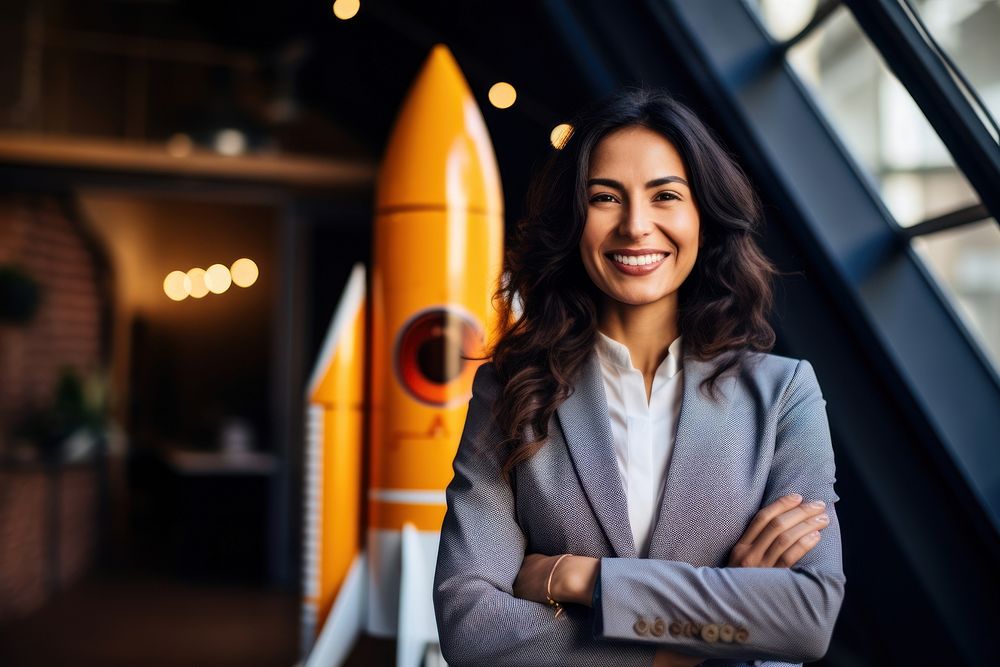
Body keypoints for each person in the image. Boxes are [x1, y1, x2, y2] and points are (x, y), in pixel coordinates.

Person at [433, 88, 844, 667]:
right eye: (605, 197)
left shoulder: (784, 394)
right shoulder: (512, 391)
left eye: (665, 196)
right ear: (575, 221)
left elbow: (805, 618)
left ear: (702, 215)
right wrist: (686, 648)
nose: (634, 226)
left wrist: (581, 578)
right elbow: (469, 624)